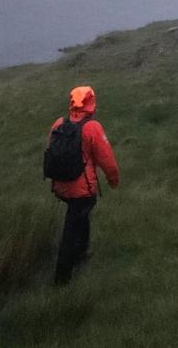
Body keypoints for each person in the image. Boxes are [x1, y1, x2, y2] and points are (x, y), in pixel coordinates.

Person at [46, 86, 120, 286]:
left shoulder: (58, 123)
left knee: (80, 216)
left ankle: (82, 254)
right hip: (82, 190)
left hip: (61, 186)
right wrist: (113, 180)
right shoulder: (92, 127)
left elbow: (50, 151)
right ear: (90, 103)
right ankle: (62, 279)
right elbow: (107, 159)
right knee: (72, 229)